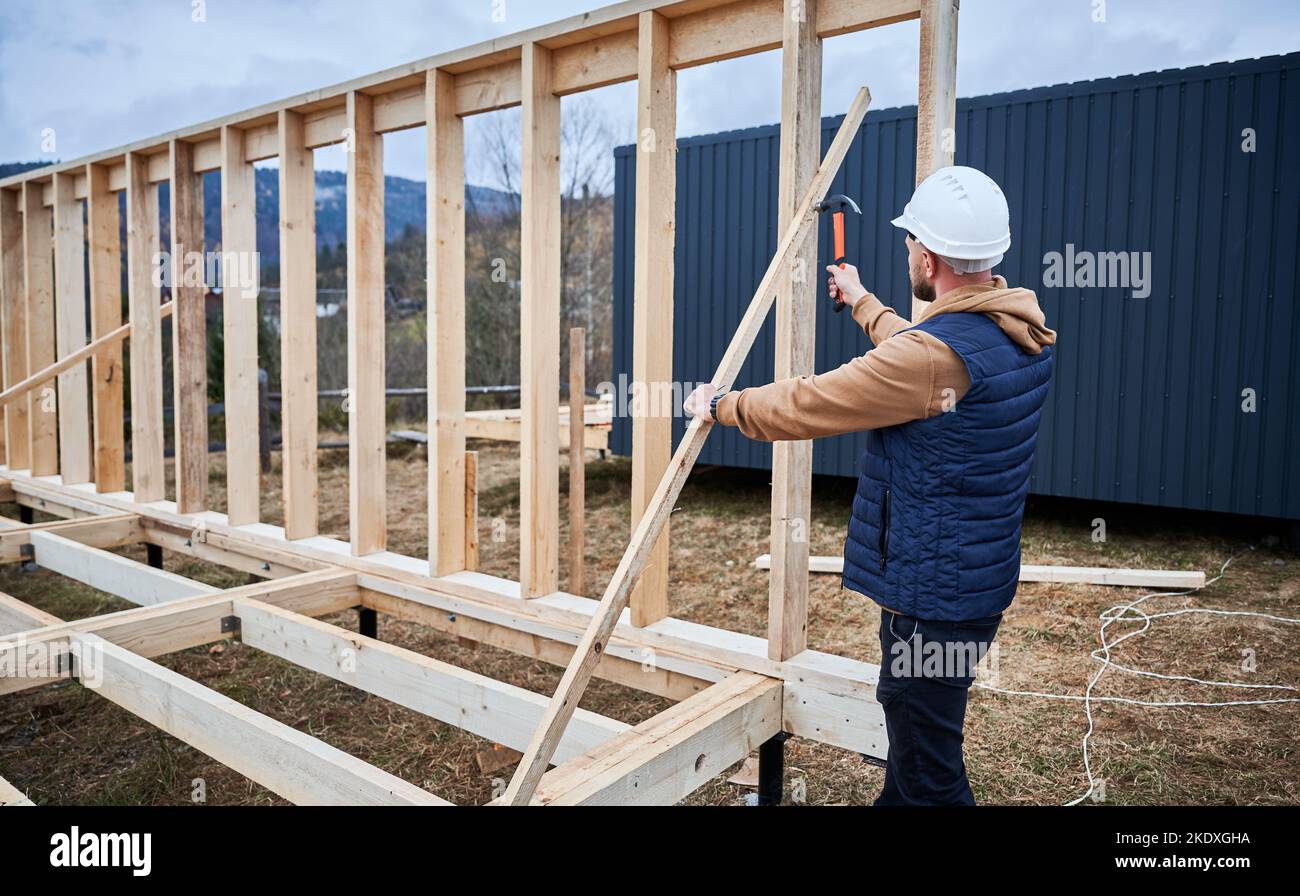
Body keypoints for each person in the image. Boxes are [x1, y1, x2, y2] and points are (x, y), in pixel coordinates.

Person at [684, 166, 1057, 805]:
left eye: (912, 241)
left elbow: (813, 401)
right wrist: (862, 301)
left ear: (931, 257)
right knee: (917, 756)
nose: (906, 248)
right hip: (972, 584)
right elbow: (918, 354)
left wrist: (724, 404)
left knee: (926, 774)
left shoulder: (933, 358)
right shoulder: (1012, 330)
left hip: (931, 602)